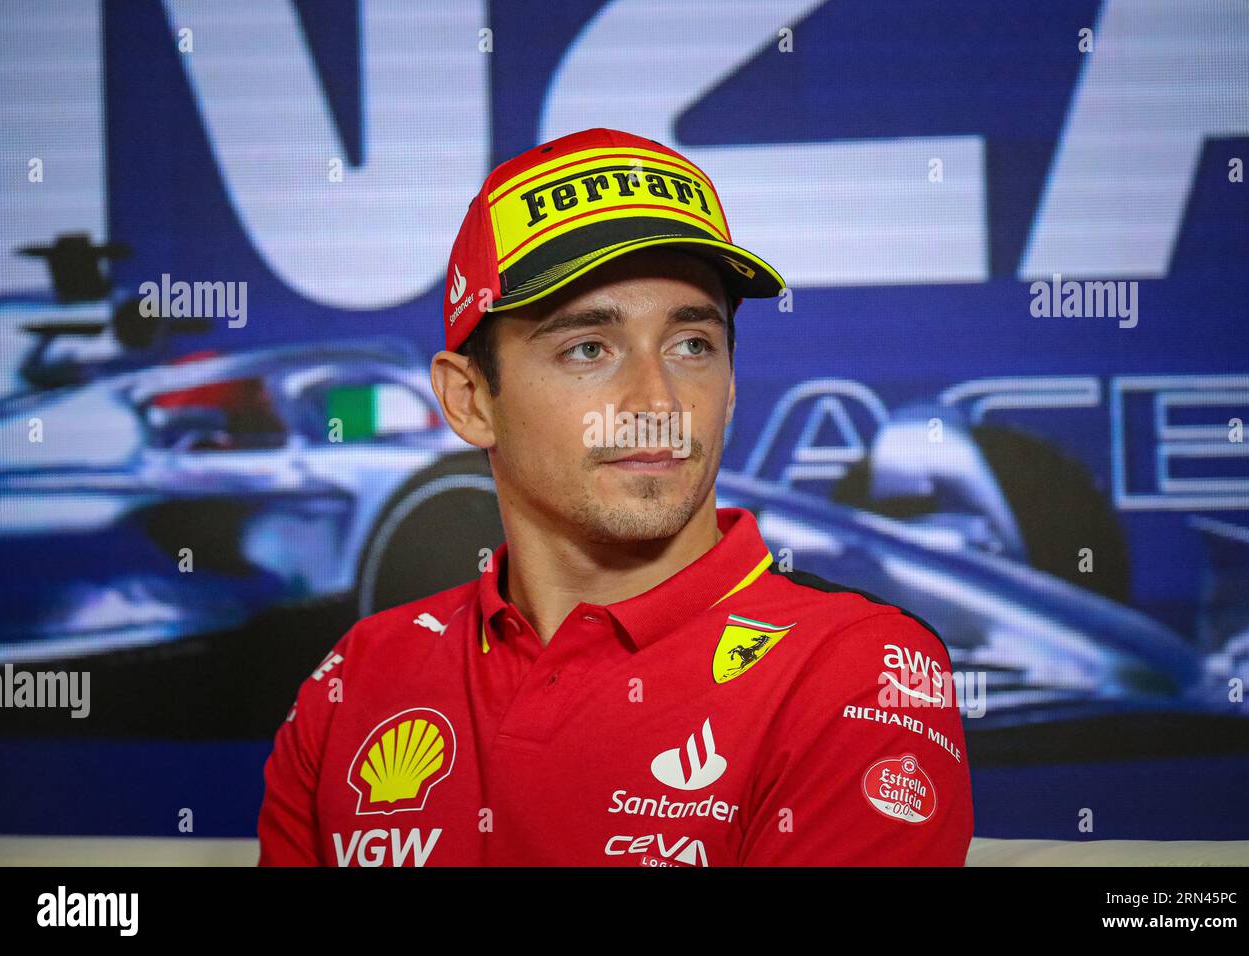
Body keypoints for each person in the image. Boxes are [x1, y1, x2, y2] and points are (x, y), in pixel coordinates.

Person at [257, 127, 973, 866]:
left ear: (729, 386)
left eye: (692, 345)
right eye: (588, 349)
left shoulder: (856, 671)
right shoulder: (359, 676)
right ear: (470, 401)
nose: (656, 400)